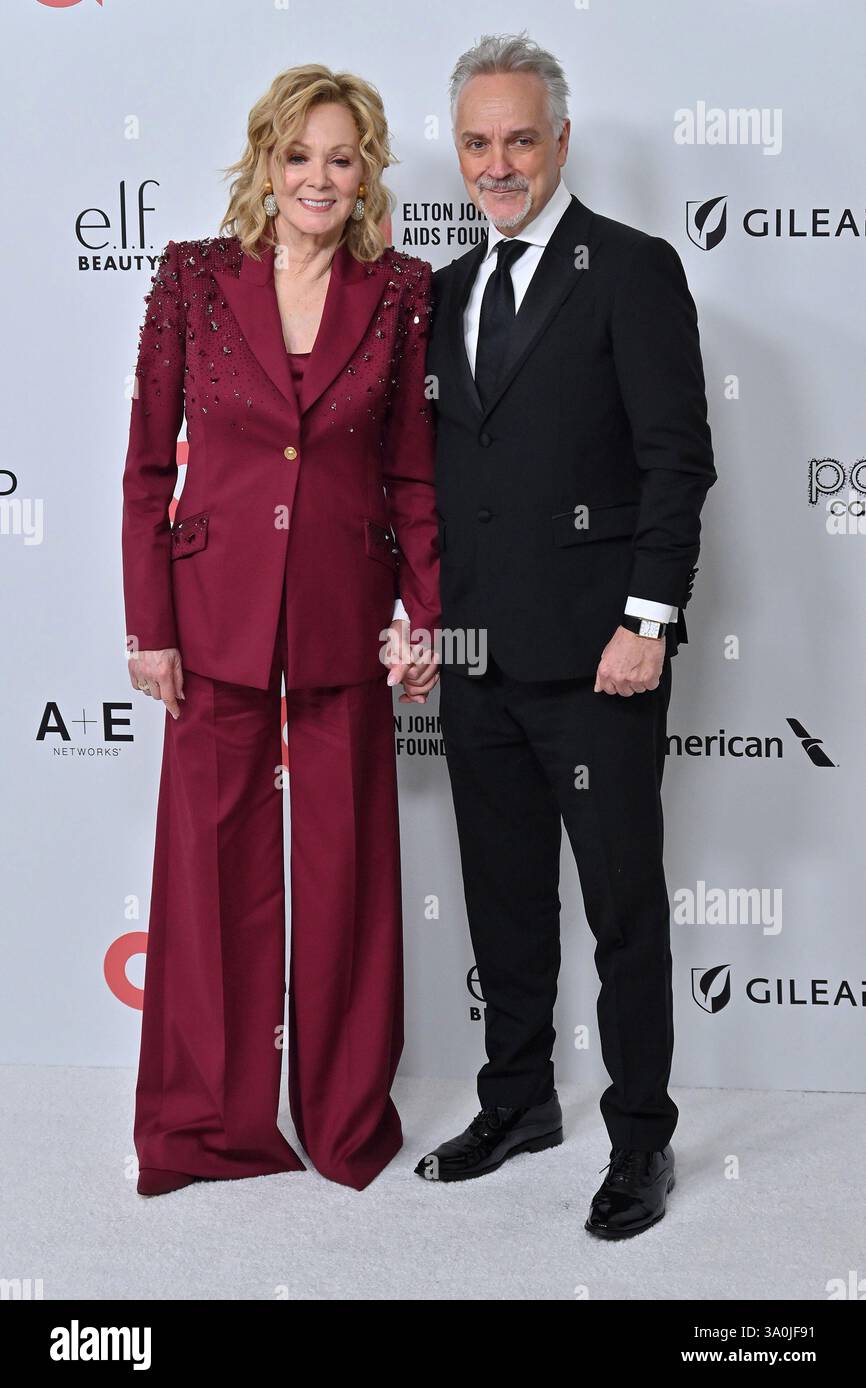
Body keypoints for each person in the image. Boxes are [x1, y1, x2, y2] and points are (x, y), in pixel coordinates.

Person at [414, 33, 716, 1238]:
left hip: (600, 657)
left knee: (621, 908)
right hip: (478, 659)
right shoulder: (440, 292)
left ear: (561, 141)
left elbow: (675, 463)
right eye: (478, 141)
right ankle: (519, 1102)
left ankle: (641, 1139)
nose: (498, 162)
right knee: (501, 903)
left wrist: (647, 619)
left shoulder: (629, 270)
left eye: (519, 139)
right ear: (459, 148)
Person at [122, 64, 440, 1197]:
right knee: (209, 877)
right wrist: (147, 626)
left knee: (349, 874)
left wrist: (427, 624)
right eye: (298, 154)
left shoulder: (402, 291)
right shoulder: (193, 280)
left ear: (366, 175)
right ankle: (208, 1123)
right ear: (265, 162)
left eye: (340, 157)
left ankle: (345, 1116)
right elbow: (149, 463)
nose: (318, 175)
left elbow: (410, 473)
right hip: (208, 621)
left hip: (345, 620)